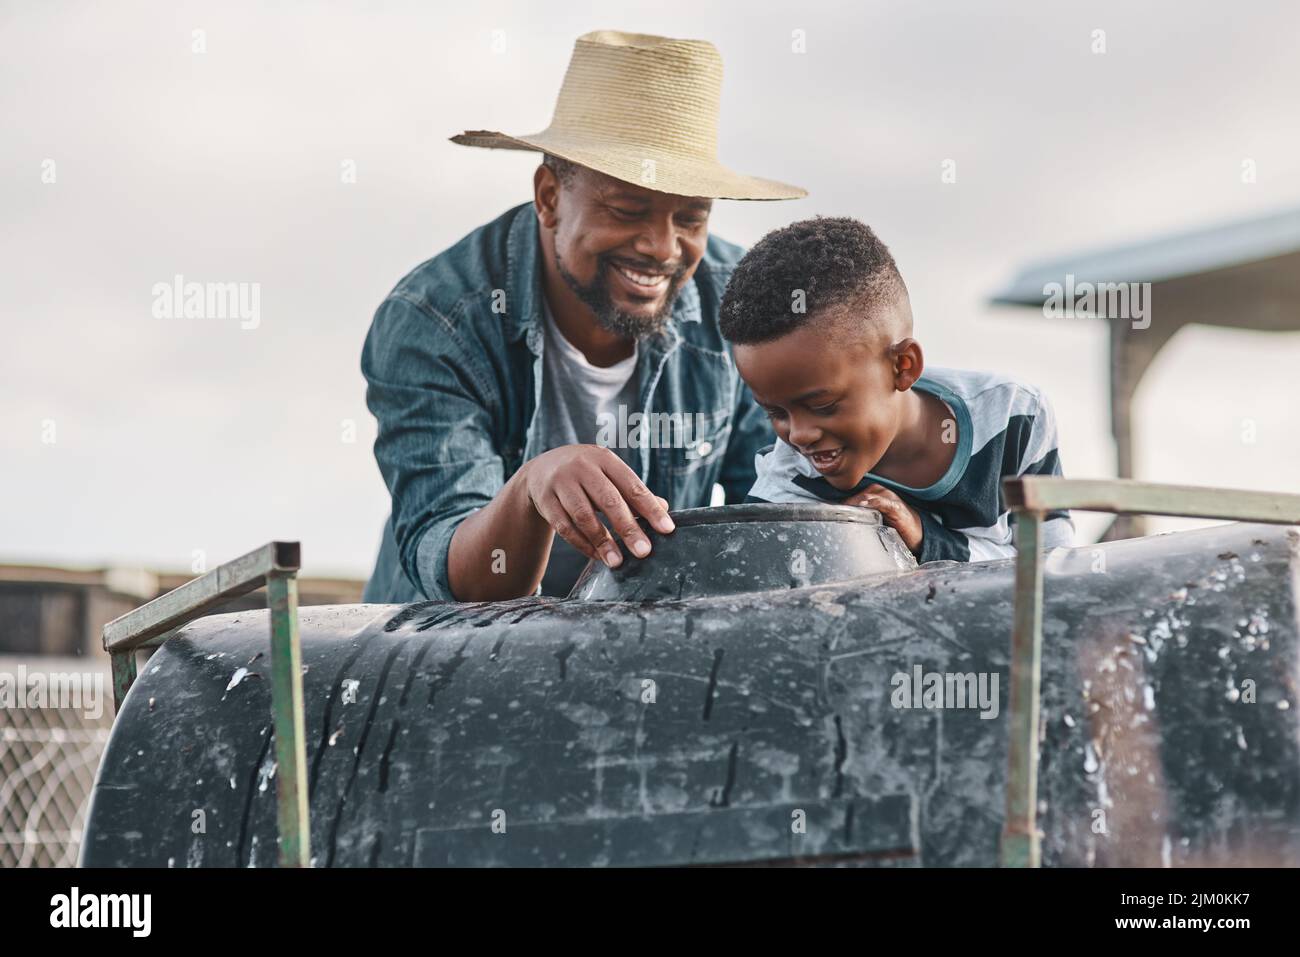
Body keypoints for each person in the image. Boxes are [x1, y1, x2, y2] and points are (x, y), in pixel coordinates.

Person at [362, 30, 806, 602]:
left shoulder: (738, 303)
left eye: (691, 219)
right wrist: (531, 489)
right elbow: (468, 589)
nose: (663, 247)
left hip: (640, 652)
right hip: (444, 667)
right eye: (628, 210)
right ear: (549, 196)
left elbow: (784, 512)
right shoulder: (434, 322)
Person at [718, 216, 1074, 562]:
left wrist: (924, 539)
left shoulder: (1013, 418)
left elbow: (1053, 570)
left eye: (823, 405)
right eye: (775, 413)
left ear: (903, 366)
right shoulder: (786, 482)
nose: (798, 435)